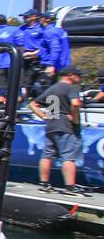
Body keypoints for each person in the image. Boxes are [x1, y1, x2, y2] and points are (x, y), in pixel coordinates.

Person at [30, 67, 88, 195]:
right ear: (71, 75)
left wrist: (44, 116)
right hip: (65, 125)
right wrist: (75, 119)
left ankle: (44, 184)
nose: (80, 78)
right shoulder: (71, 88)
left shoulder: (52, 88)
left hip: (51, 124)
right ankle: (70, 186)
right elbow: (75, 103)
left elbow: (33, 104)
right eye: (79, 76)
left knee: (47, 155)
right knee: (68, 156)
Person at [16, 9, 46, 98]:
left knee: (40, 83)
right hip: (24, 59)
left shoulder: (41, 29)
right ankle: (26, 100)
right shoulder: (20, 29)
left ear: (34, 17)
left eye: (27, 17)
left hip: (38, 59)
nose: (24, 18)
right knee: (25, 82)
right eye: (24, 17)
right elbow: (17, 42)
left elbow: (46, 44)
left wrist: (36, 53)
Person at [38, 10, 71, 84]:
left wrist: (51, 65)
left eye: (41, 18)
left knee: (44, 89)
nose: (39, 19)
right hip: (63, 65)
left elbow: (55, 49)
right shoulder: (60, 31)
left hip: (53, 66)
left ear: (46, 19)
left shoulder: (49, 32)